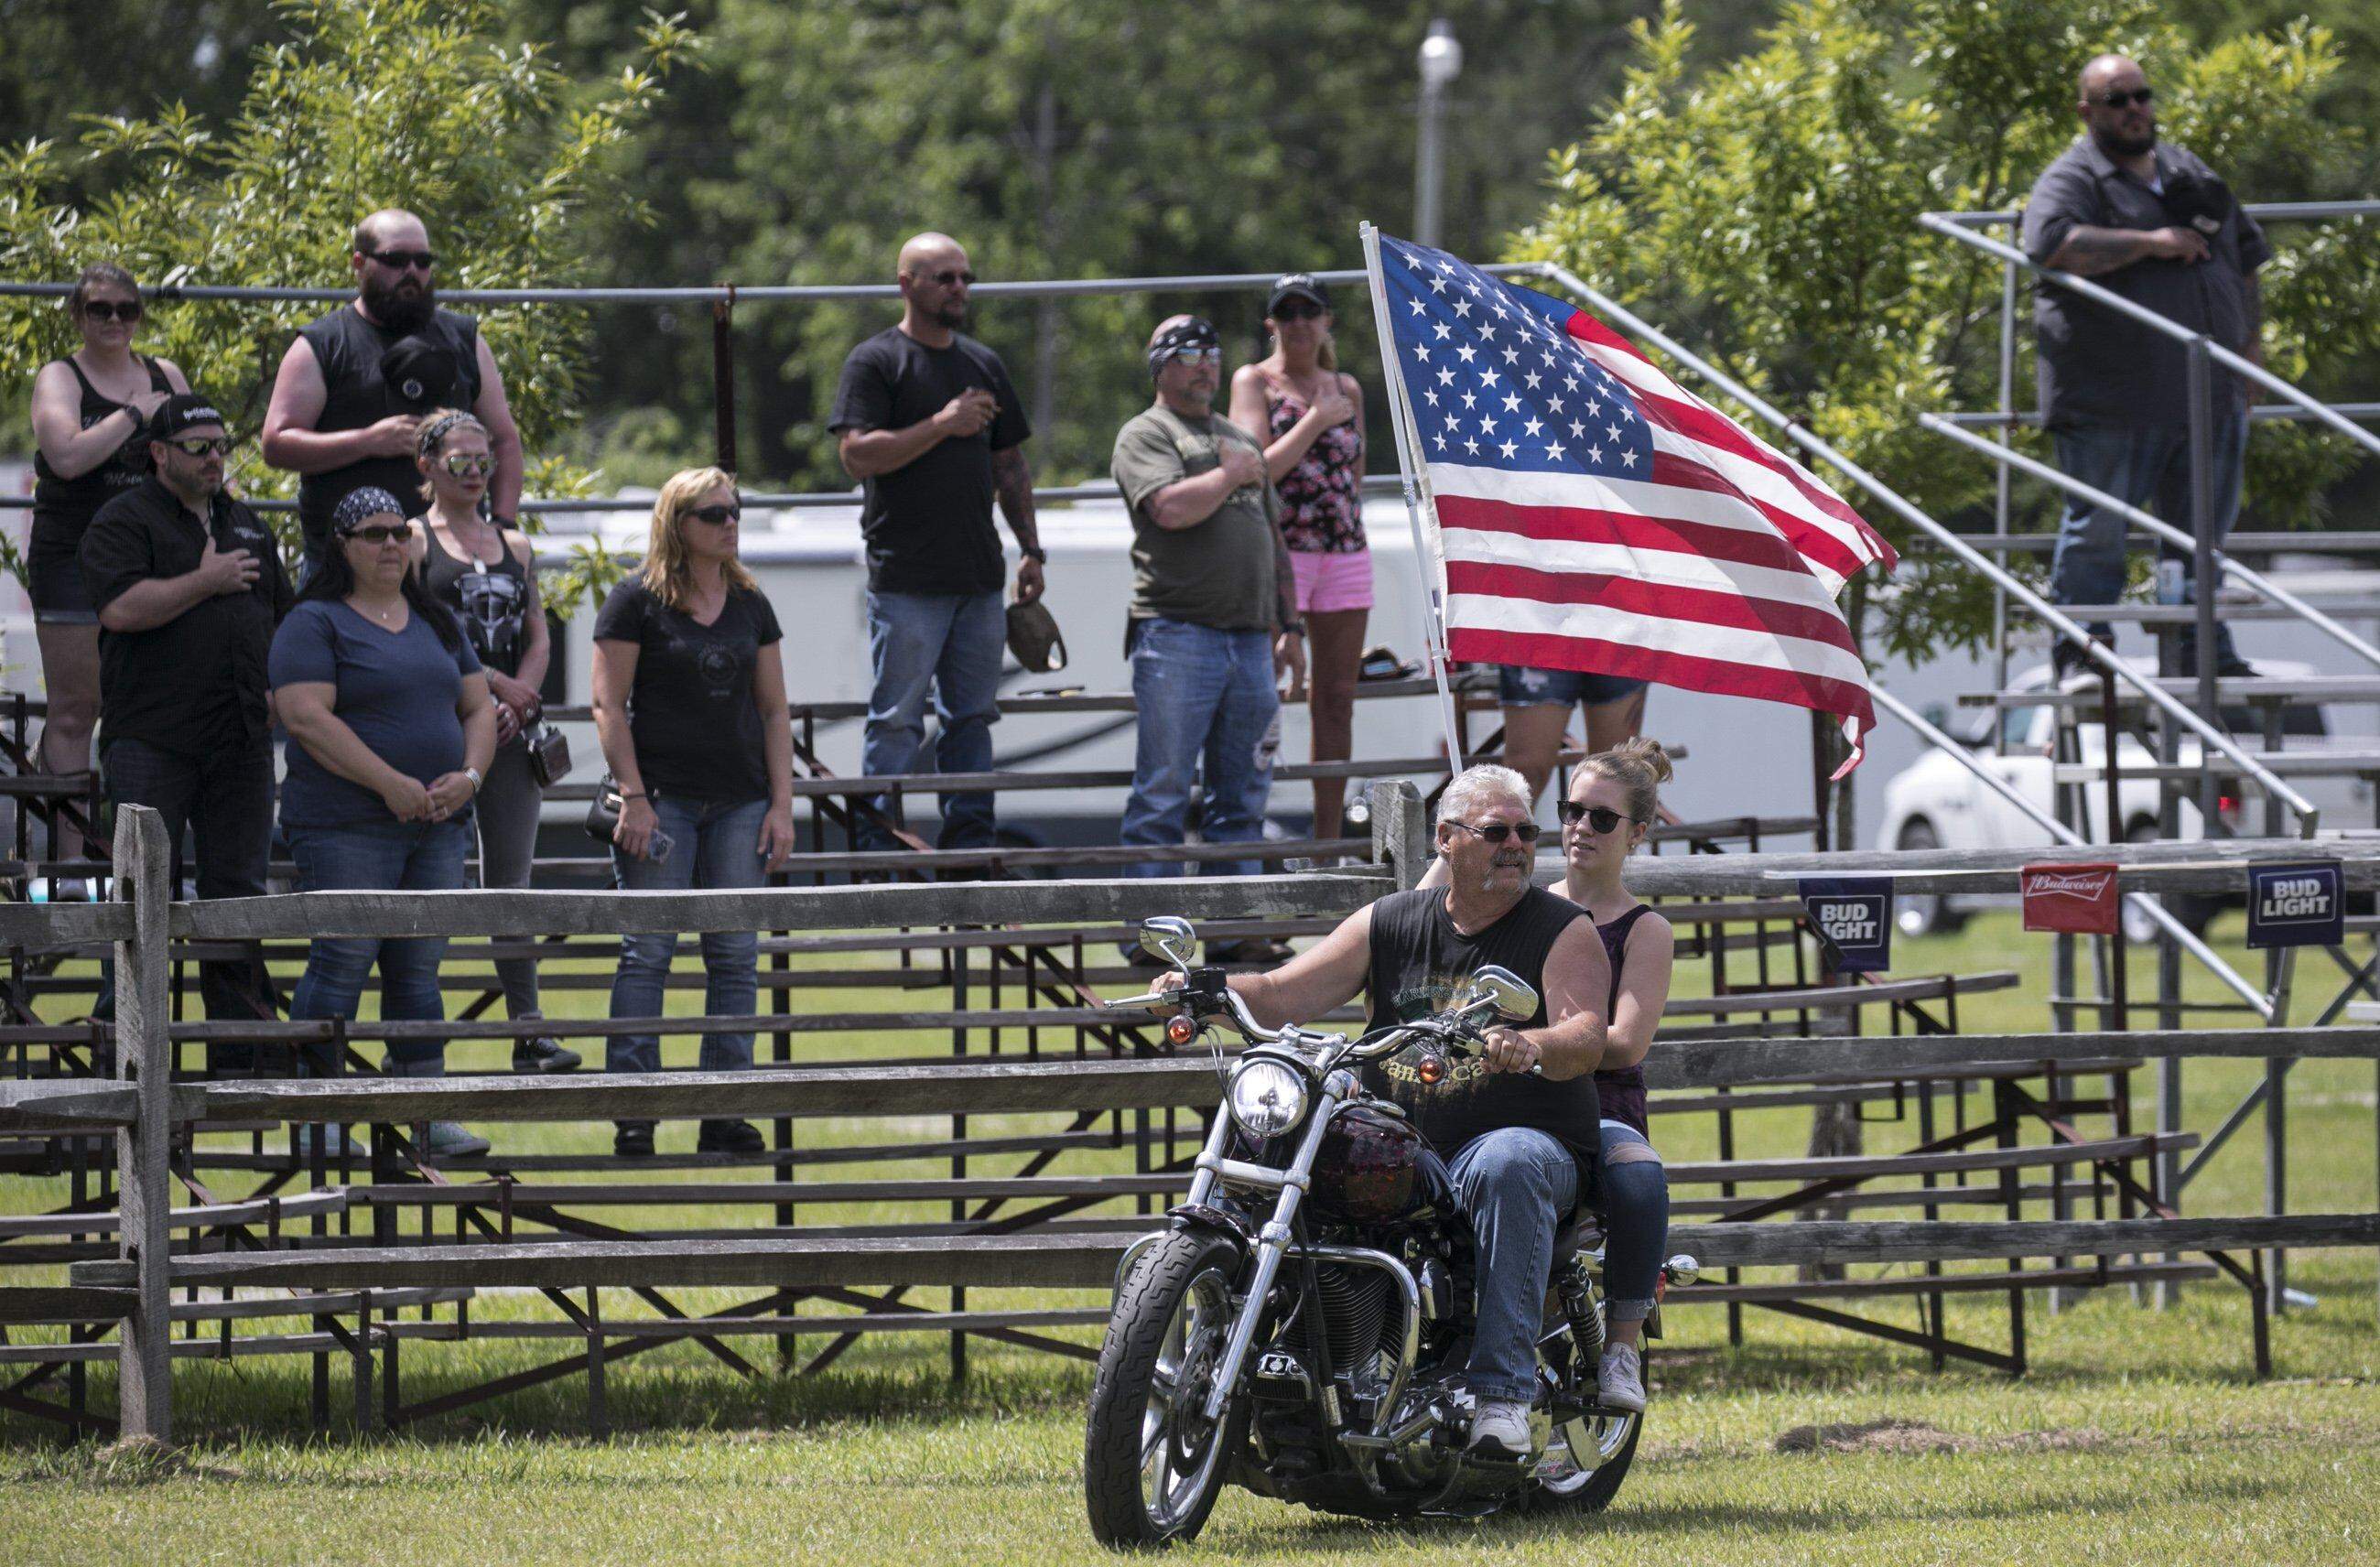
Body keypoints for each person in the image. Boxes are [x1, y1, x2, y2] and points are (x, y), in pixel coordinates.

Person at [1156, 763, 1611, 1458]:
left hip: (1528, 1142)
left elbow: (1584, 1036)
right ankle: (1261, 1353)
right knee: (1281, 1145)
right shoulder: (1392, 922)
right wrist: (1206, 988)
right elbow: (1282, 992)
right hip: (1408, 1140)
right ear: (1446, 840)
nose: (1516, 844)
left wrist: (1529, 1042)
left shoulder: (1562, 927)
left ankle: (1502, 1395)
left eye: (1526, 831)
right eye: (1496, 832)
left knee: (1507, 1160)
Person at [1422, 739, 1676, 1413]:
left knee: (1639, 1173)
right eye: (1569, 812)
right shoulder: (1519, 895)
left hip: (1595, 1104)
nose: (1578, 829)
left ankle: (1623, 1343)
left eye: (1601, 818)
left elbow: (1623, 1043)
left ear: (1638, 834)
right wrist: (1455, 849)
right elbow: (1423, 914)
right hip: (1493, 1095)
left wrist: (1543, 1046)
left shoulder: (1644, 929)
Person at [2021, 52, 2270, 679]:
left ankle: (2201, 647)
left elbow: (2243, 256)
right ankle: (2083, 653)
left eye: (2142, 95)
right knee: (2098, 532)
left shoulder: (2186, 167)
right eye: (2117, 99)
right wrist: (2151, 243)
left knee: (2202, 536)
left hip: (2207, 392)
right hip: (2111, 397)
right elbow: (2050, 244)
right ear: (2087, 112)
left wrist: (2249, 355)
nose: (2135, 109)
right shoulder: (2074, 177)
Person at [272, 486, 498, 1160]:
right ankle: (317, 1120)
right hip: (345, 824)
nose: (392, 544)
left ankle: (425, 1117)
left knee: (419, 967)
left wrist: (471, 778)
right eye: (373, 534)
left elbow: (478, 708)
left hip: (437, 822)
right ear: (342, 546)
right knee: (342, 957)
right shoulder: (313, 623)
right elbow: (306, 716)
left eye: (399, 531)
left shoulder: (435, 619)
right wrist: (388, 783)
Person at [80, 394, 289, 1073]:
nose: (213, 457)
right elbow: (120, 607)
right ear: (158, 453)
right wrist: (204, 580)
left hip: (241, 742)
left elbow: (283, 614)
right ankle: (133, 1061)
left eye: (221, 445)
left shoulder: (246, 523)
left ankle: (239, 1061)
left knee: (236, 899)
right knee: (143, 898)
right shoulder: (123, 520)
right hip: (153, 742)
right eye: (197, 447)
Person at [591, 468, 795, 1159]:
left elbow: (774, 709)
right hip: (662, 800)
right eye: (713, 514)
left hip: (741, 800)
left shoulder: (750, 601)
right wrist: (636, 797)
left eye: (734, 510)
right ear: (678, 523)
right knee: (648, 951)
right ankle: (634, 1110)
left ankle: (726, 1110)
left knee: (736, 955)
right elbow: (606, 706)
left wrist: (783, 806)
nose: (729, 523)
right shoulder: (634, 601)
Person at [830, 232, 1043, 859]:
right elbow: (854, 456)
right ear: (907, 284)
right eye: (944, 277)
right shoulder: (876, 362)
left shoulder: (984, 363)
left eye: (965, 278)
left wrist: (1032, 550)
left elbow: (1010, 466)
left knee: (973, 720)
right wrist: (942, 425)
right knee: (896, 719)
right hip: (906, 581)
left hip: (979, 578)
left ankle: (970, 851)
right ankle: (877, 856)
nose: (959, 289)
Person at [1111, 315, 1304, 947]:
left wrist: (1291, 625)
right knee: (1163, 796)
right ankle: (1152, 937)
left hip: (1251, 642)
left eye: (1213, 351)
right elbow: (1168, 510)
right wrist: (1227, 475)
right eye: (1190, 352)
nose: (1206, 364)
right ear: (1160, 364)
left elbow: (1273, 539)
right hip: (1177, 636)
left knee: (1242, 799)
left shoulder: (1237, 439)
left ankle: (1230, 932)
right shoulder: (1146, 433)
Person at [407, 409, 577, 1075]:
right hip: (441, 732)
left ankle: (529, 1030)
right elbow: (422, 636)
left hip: (511, 737)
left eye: (485, 462)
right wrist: (493, 688)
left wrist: (523, 693)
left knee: (514, 885)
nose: (476, 473)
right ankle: (419, 1041)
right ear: (428, 466)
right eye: (460, 462)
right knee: (436, 886)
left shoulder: (518, 545)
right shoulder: (414, 542)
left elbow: (539, 635)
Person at [27, 264, 190, 858]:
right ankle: (68, 865)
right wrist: (133, 415)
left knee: (154, 705)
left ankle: (148, 858)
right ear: (78, 315)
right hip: (72, 551)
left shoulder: (164, 374)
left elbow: (194, 458)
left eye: (128, 308)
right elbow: (67, 456)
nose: (116, 320)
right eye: (101, 309)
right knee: (75, 711)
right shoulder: (60, 375)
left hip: (154, 554)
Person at [261, 209, 524, 578]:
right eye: (396, 260)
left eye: (423, 261)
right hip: (347, 567)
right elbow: (276, 444)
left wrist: (503, 525)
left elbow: (505, 442)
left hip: (450, 567)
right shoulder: (322, 345)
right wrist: (367, 442)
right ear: (359, 263)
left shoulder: (464, 339)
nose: (412, 272)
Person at [1228, 274, 1368, 843]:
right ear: (1272, 325)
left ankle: (1327, 842)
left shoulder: (1347, 388)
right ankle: (1243, 826)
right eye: (1286, 314)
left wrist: (1329, 415)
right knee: (1261, 697)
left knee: (1335, 702)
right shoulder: (1253, 381)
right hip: (1279, 551)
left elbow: (1353, 474)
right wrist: (1314, 420)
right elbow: (1256, 467)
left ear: (1326, 320)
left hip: (1344, 551)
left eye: (1309, 312)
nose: (1299, 323)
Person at [1496, 669, 1648, 815]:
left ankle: (1602, 838)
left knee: (1613, 778)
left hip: (1616, 647)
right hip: (1545, 645)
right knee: (1525, 776)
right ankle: (1508, 839)